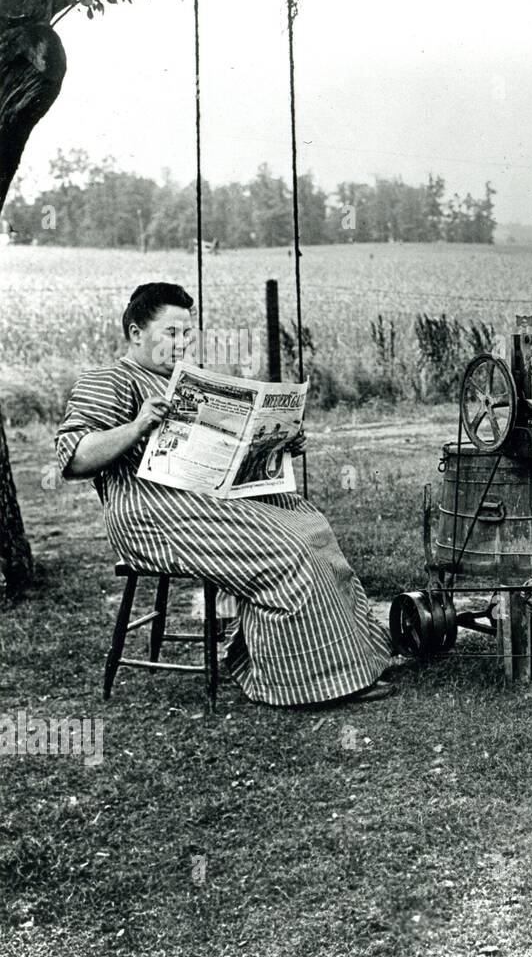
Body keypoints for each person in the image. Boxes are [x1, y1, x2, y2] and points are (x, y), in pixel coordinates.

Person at [55, 282, 395, 708]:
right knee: (286, 548)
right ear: (136, 333)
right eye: (171, 333)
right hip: (151, 513)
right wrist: (138, 425)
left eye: (188, 334)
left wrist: (279, 441)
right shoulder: (109, 381)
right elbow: (75, 459)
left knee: (311, 526)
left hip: (201, 500)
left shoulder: (184, 382)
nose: (182, 343)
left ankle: (349, 663)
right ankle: (302, 681)